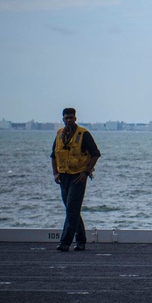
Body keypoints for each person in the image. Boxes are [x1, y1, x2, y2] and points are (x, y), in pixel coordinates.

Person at [50, 107, 101, 252]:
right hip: (63, 176)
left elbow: (96, 154)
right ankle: (81, 241)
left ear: (75, 118)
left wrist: (86, 172)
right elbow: (53, 155)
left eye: (71, 117)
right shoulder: (59, 134)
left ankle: (65, 242)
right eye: (66, 118)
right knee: (72, 209)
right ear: (63, 119)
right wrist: (55, 173)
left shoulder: (83, 134)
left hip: (78, 177)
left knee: (72, 208)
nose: (69, 120)